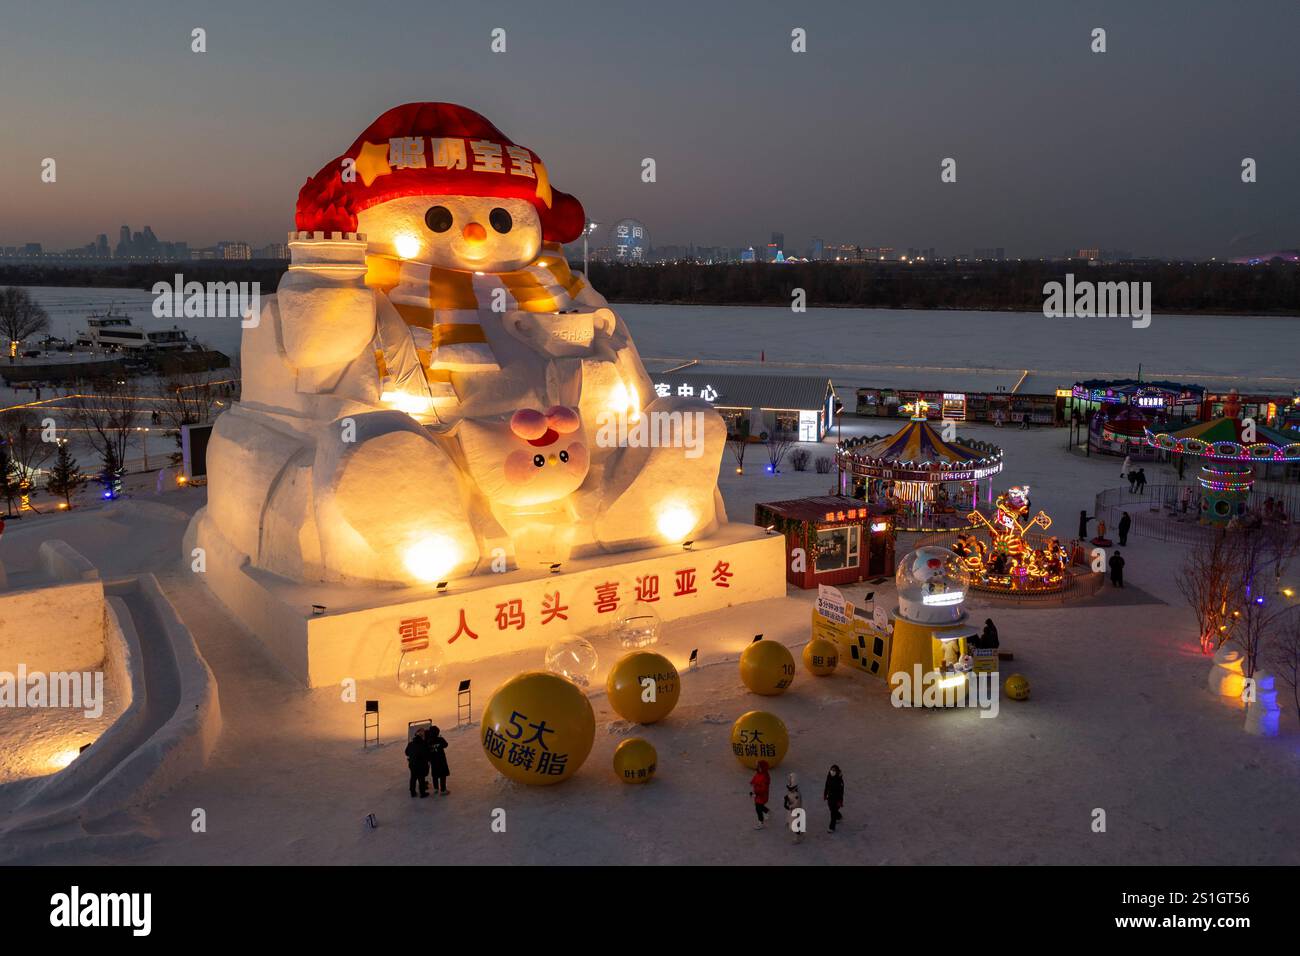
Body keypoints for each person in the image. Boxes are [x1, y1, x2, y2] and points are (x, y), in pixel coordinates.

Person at [405, 727, 430, 798]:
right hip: (421, 765)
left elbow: (406, 753)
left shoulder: (410, 744)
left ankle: (412, 792)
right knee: (421, 778)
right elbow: (426, 754)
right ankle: (422, 793)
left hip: (412, 764)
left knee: (413, 778)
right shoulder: (423, 744)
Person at [426, 725, 450, 795]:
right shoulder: (440, 739)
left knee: (435, 775)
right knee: (442, 775)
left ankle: (436, 788)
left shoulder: (428, 741)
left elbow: (427, 750)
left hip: (433, 761)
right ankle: (443, 790)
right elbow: (446, 745)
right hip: (441, 760)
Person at [750, 760, 772, 829]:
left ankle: (761, 822)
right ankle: (767, 811)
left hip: (762, 795)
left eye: (759, 767)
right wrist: (752, 782)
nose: (758, 768)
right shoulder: (759, 773)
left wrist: (756, 793)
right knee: (759, 805)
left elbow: (764, 788)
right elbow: (755, 778)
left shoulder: (765, 777)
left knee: (758, 808)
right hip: (758, 794)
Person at [783, 772, 804, 844]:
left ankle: (797, 838)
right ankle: (801, 831)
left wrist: (790, 806)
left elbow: (796, 803)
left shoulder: (797, 794)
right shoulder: (792, 792)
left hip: (795, 811)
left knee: (795, 825)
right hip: (792, 811)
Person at [823, 765, 845, 833]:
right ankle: (839, 816)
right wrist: (825, 794)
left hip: (836, 798)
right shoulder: (829, 777)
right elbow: (826, 785)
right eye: (831, 770)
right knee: (831, 809)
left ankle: (831, 827)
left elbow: (841, 792)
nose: (832, 771)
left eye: (834, 770)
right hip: (830, 797)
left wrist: (840, 801)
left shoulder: (839, 780)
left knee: (833, 812)